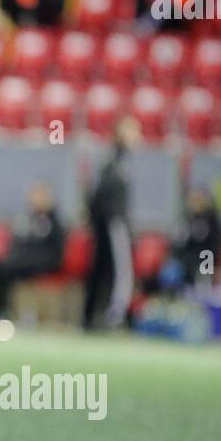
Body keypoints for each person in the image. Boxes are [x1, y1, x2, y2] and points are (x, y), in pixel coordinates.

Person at [82, 117, 139, 330]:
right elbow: (99, 196)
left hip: (105, 223)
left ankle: (93, 316)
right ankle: (114, 316)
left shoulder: (116, 162)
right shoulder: (113, 163)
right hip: (113, 223)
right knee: (119, 271)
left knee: (103, 270)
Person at [0, 182, 65, 320]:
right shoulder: (27, 218)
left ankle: (3, 311)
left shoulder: (54, 222)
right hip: (21, 261)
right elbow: (16, 242)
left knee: (4, 270)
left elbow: (56, 250)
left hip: (42, 263)